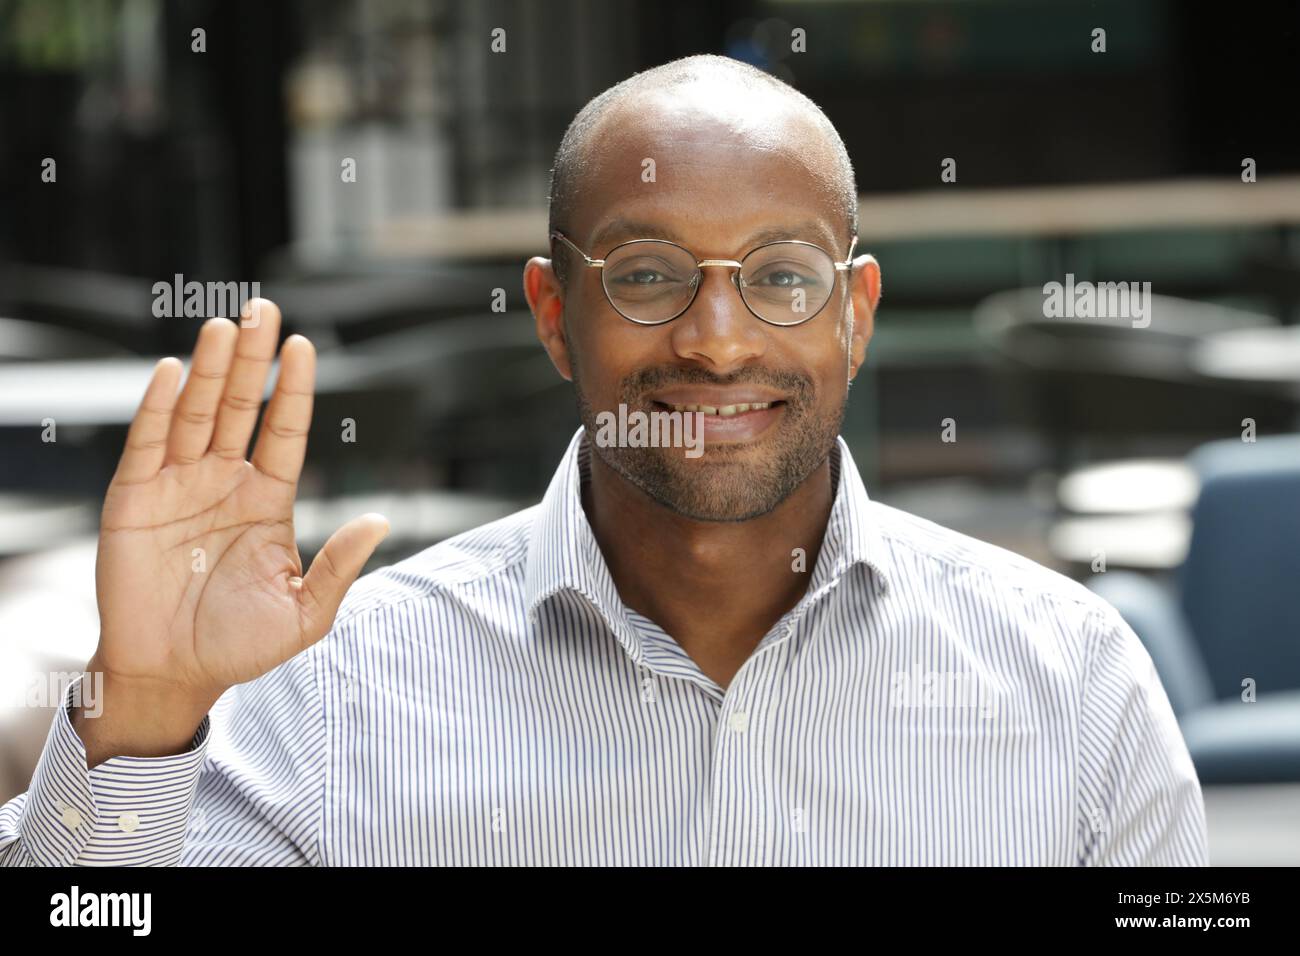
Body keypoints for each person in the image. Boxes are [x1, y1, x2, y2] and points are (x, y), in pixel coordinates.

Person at [0, 54, 1207, 865]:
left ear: (856, 313)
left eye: (781, 276)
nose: (716, 340)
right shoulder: (334, 693)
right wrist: (142, 716)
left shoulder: (1071, 675)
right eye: (644, 276)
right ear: (550, 310)